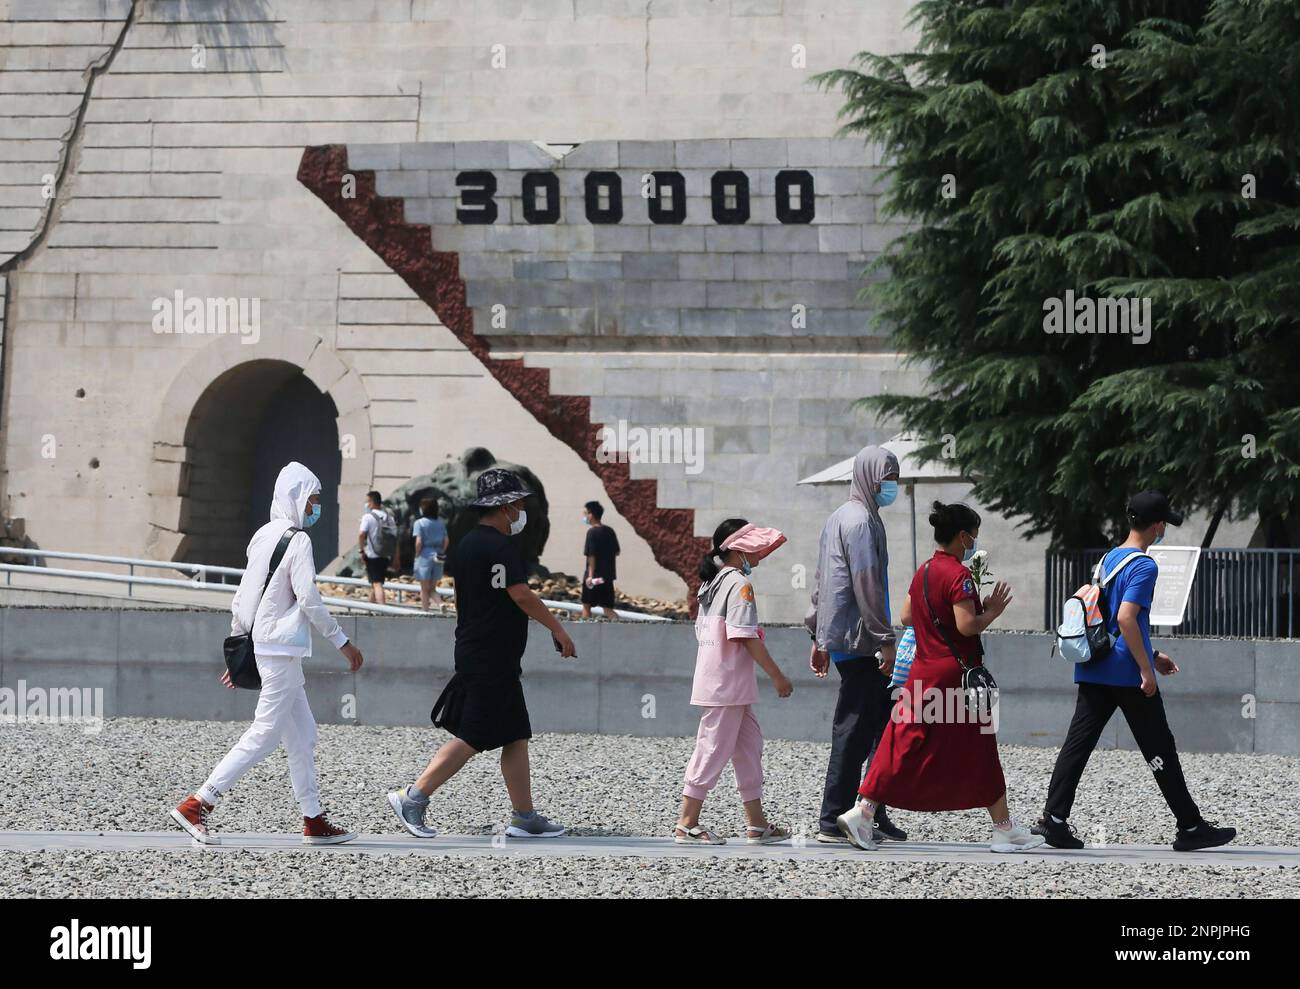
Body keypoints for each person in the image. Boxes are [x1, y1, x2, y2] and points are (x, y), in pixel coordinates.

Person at [170, 461, 364, 845]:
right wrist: (343, 641)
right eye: (313, 500)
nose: (315, 508)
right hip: (279, 650)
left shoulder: (263, 536)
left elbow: (245, 596)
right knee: (264, 733)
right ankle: (198, 803)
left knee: (303, 734)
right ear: (297, 497)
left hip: (269, 648)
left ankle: (313, 819)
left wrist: (242, 646)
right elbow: (309, 597)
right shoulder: (299, 541)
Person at [1032, 491, 1237, 852]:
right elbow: (1126, 617)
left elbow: (1112, 620)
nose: (1164, 530)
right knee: (1160, 748)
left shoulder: (1109, 558)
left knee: (1077, 745)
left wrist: (1152, 653)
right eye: (1164, 524)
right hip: (1126, 674)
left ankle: (1054, 819)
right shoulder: (1144, 565)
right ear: (1157, 525)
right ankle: (1190, 827)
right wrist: (1145, 669)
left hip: (1095, 668)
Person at [836, 501, 1045, 852]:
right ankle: (1002, 829)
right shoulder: (959, 575)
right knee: (981, 746)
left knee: (901, 739)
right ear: (963, 536)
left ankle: (865, 810)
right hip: (956, 675)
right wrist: (991, 611)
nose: (975, 543)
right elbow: (966, 626)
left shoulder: (925, 571)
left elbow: (905, 616)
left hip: (923, 669)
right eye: (974, 536)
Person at [387, 469, 577, 839]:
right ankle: (413, 796)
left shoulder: (467, 544)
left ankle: (524, 815)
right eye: (518, 504)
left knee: (516, 733)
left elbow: (462, 599)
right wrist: (558, 628)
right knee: (474, 735)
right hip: (491, 655)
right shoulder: (503, 548)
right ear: (505, 507)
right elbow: (520, 594)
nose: (522, 510)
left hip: (482, 649)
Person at [805, 445, 907, 845]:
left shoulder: (839, 518)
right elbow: (866, 586)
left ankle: (870, 811)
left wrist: (818, 635)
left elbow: (821, 581)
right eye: (888, 479)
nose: (891, 487)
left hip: (846, 638)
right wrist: (885, 641)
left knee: (880, 729)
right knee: (855, 730)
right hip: (863, 640)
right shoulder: (862, 522)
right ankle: (834, 819)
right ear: (869, 477)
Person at [675, 519, 794, 845]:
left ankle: (756, 823)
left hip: (725, 684)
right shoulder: (738, 583)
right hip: (727, 685)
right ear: (739, 549)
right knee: (712, 748)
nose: (760, 554)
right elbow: (744, 636)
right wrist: (777, 675)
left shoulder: (710, 583)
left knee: (748, 747)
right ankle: (687, 822)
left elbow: (706, 632)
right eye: (754, 547)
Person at [580, 499, 620, 619]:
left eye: (586, 513)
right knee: (607, 609)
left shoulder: (592, 533)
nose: (585, 516)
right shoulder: (609, 531)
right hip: (607, 577)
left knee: (586, 606)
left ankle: (585, 633)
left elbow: (591, 555)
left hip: (595, 578)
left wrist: (590, 576)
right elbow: (617, 551)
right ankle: (622, 629)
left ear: (591, 515)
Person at [359, 490, 399, 605]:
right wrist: (396, 557)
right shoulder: (388, 517)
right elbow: (395, 538)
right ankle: (370, 609)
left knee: (377, 584)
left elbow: (361, 534)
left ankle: (382, 610)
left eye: (367, 501)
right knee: (375, 582)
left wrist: (362, 551)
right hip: (386, 555)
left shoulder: (368, 517)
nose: (367, 504)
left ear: (372, 502)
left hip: (373, 555)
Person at [412, 497, 449, 610]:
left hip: (424, 555)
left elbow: (419, 542)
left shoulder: (419, 523)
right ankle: (440, 603)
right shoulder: (441, 523)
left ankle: (425, 610)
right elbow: (446, 540)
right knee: (432, 588)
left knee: (424, 588)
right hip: (438, 556)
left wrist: (417, 555)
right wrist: (442, 550)